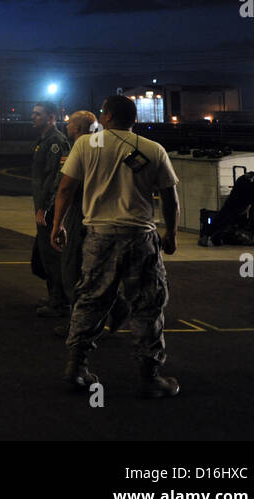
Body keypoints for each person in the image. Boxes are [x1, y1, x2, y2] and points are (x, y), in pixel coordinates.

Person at [52, 94, 181, 399]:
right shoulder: (153, 149)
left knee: (89, 301)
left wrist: (57, 224)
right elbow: (171, 200)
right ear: (134, 119)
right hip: (140, 237)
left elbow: (66, 188)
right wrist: (171, 234)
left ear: (106, 116)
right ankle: (149, 377)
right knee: (148, 305)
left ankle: (76, 368)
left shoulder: (86, 145)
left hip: (99, 236)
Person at [52, 110, 128, 337]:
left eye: (69, 124)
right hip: (104, 214)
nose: (66, 126)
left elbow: (65, 187)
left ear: (76, 128)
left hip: (80, 213)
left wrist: (58, 222)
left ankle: (80, 324)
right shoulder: (106, 146)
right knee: (98, 270)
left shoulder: (81, 147)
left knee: (72, 270)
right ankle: (116, 305)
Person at [29, 101, 70, 318]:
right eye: (33, 113)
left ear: (51, 117)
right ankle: (55, 296)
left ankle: (60, 303)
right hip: (42, 206)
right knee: (44, 256)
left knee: (53, 257)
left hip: (50, 209)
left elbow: (58, 178)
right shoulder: (43, 140)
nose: (33, 116)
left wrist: (45, 208)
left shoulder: (56, 142)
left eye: (38, 114)